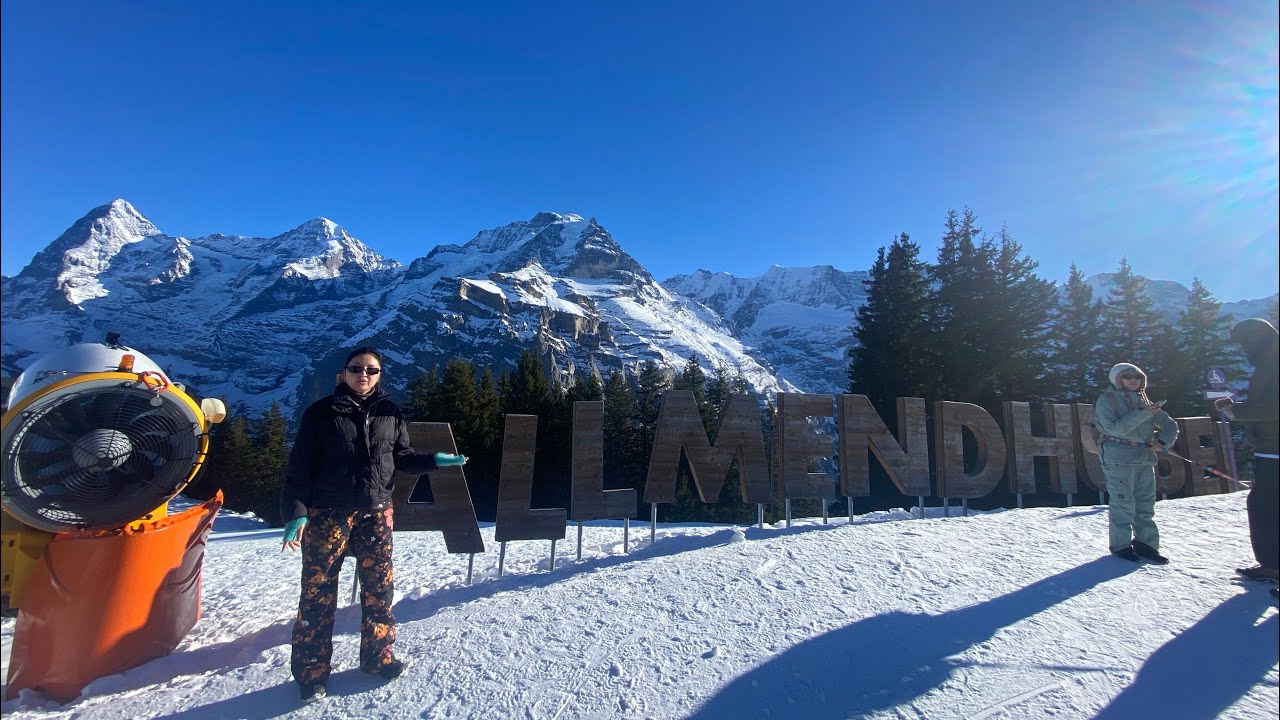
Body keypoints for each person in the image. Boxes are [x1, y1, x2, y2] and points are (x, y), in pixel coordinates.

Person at [280, 347, 468, 703]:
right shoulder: (320, 414)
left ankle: (378, 657)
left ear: (380, 375)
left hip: (376, 511)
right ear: (344, 373)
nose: (363, 375)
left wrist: (435, 461)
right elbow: (299, 469)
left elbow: (402, 458)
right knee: (318, 593)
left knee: (379, 588)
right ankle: (311, 673)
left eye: (371, 370)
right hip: (328, 513)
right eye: (356, 369)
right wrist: (297, 512)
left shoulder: (389, 412)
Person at [1214, 318, 1279, 588]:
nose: (1242, 350)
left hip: (1273, 448)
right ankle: (1273, 565)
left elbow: (1271, 410)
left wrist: (1235, 411)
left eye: (1243, 343)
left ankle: (1273, 565)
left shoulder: (1271, 363)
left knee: (1264, 506)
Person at [1094, 362, 1179, 564]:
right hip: (1118, 457)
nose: (1133, 380)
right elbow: (1114, 429)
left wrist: (1163, 442)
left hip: (1143, 457)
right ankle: (1121, 546)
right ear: (1117, 379)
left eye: (1137, 377)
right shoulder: (1107, 400)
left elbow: (1169, 424)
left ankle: (1146, 544)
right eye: (1127, 376)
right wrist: (1144, 413)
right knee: (1123, 503)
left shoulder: (1144, 400)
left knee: (1145, 504)